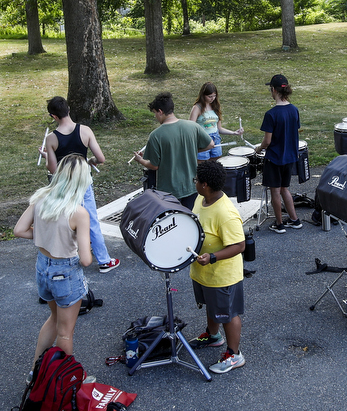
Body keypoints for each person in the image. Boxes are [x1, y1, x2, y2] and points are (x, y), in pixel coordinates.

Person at [14, 155, 94, 379]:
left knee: (54, 319)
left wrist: (44, 237)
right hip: (66, 272)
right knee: (65, 332)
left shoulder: (41, 197)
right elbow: (86, 260)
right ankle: (69, 379)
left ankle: (35, 371)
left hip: (43, 267)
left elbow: (19, 230)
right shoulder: (79, 213)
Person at [40, 96, 119, 273]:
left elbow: (53, 169)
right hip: (83, 182)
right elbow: (101, 158)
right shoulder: (85, 130)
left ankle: (69, 255)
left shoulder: (51, 139)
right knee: (90, 219)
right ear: (68, 109)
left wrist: (46, 155)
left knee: (64, 219)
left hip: (63, 185)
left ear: (53, 116)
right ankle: (104, 260)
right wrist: (89, 160)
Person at [188, 161, 247, 374]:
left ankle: (234, 355)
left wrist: (212, 257)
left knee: (228, 314)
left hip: (222, 276)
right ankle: (213, 336)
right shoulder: (202, 198)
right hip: (204, 273)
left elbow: (239, 245)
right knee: (212, 307)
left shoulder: (226, 213)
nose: (194, 183)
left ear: (205, 184)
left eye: (196, 181)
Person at [134, 92, 214, 210]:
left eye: (155, 113)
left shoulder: (156, 135)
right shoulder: (193, 126)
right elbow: (211, 144)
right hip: (191, 187)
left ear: (160, 111)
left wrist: (140, 160)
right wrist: (191, 149)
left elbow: (154, 166)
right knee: (190, 220)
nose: (156, 116)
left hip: (168, 192)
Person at [255, 74, 302, 232]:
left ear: (273, 90)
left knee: (275, 190)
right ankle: (295, 220)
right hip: (290, 156)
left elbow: (267, 141)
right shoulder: (294, 110)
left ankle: (279, 223)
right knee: (284, 188)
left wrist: (259, 149)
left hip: (275, 158)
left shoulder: (271, 114)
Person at [188, 82, 243, 162]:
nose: (212, 98)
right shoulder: (197, 108)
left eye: (214, 96)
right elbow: (190, 128)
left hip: (216, 139)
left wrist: (234, 133)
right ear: (203, 95)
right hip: (203, 140)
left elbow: (219, 128)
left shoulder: (215, 107)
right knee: (203, 167)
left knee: (215, 166)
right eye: (210, 96)